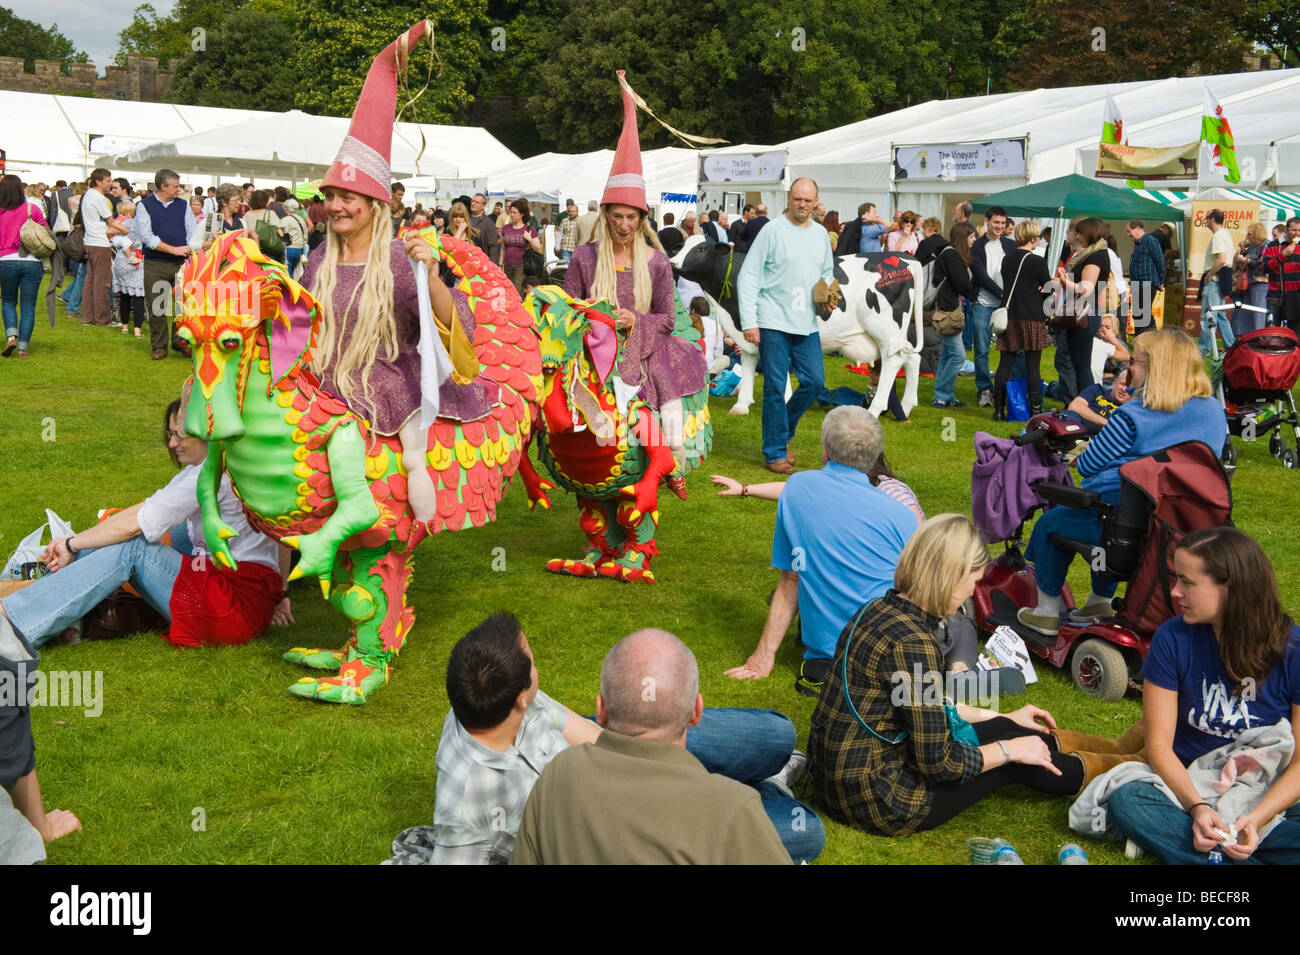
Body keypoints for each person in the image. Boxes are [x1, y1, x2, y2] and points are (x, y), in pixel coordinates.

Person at [388, 613, 821, 864]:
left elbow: (594, 736)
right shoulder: (465, 800)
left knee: (776, 734)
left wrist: (655, 771)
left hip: (621, 750)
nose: (536, 661)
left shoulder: (493, 692)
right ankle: (770, 786)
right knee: (806, 832)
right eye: (532, 658)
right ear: (521, 695)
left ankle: (754, 777)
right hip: (606, 810)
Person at [807, 514, 1132, 836]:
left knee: (1008, 727)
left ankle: (1119, 753)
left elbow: (916, 702)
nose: (972, 592)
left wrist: (1002, 717)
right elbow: (938, 762)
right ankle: (1127, 777)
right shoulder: (914, 643)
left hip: (833, 778)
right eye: (973, 581)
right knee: (1016, 752)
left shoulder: (877, 609)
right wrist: (1011, 751)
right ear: (951, 576)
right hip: (879, 799)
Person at [304, 20, 487, 529]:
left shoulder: (399, 260)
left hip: (387, 383)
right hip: (320, 384)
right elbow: (296, 327)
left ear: (374, 205)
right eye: (331, 197)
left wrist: (430, 277)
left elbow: (457, 334)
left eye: (347, 198)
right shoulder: (318, 259)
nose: (335, 207)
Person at [0, 392, 289, 653]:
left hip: (229, 608)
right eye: (169, 434)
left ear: (205, 432)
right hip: (240, 598)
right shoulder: (225, 466)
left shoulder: (208, 477)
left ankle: (16, 619)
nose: (172, 443)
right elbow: (282, 533)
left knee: (134, 546)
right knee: (138, 537)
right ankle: (32, 595)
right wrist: (279, 593)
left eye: (179, 434)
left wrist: (71, 543)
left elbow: (133, 526)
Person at [511, 628, 796, 865]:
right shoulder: (734, 810)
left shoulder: (557, 773)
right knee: (807, 828)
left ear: (601, 710)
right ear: (697, 711)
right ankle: (774, 785)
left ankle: (773, 785)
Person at [1101, 527, 1300, 864]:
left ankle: (1203, 847)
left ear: (1232, 588)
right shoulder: (1172, 638)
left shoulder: (1292, 649)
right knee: (1127, 798)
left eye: (1188, 583)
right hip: (1190, 785)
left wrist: (1256, 818)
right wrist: (1198, 808)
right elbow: (1159, 747)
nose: (1175, 592)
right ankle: (1231, 850)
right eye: (1176, 579)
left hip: (1267, 790)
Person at [1018, 327, 1227, 635]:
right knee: (1116, 516)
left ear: (1157, 368)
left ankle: (1047, 612)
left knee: (1053, 523)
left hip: (1128, 525)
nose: (1126, 369)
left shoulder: (1134, 415)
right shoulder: (1213, 411)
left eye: (1134, 362)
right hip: (1186, 525)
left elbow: (1088, 466)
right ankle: (1098, 601)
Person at [563, 92, 706, 490]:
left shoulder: (656, 262)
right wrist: (592, 321)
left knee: (666, 394)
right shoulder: (585, 258)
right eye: (617, 217)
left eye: (631, 218)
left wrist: (634, 321)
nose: (623, 224)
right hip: (594, 349)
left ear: (643, 219)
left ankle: (671, 461)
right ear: (606, 216)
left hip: (647, 346)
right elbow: (569, 305)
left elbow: (668, 318)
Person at [726, 406, 918, 696]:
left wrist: (762, 658)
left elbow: (791, 578)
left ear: (826, 449)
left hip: (826, 662)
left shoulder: (798, 488)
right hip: (890, 653)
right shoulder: (902, 515)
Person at [735, 178, 833, 474]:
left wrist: (827, 293)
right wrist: (750, 322)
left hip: (806, 322)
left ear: (817, 201)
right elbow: (749, 275)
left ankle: (784, 432)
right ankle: (775, 452)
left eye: (808, 200)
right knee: (776, 388)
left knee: (815, 382)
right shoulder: (772, 230)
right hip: (772, 319)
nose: (802, 204)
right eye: (797, 199)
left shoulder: (820, 235)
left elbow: (826, 270)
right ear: (789, 198)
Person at [991, 221, 1053, 421]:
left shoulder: (1007, 259)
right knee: (1032, 365)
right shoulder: (1037, 261)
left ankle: (999, 410)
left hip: (1010, 316)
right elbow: (1050, 287)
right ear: (1033, 239)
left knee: (1005, 364)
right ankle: (1035, 411)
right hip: (1032, 316)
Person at [135, 168, 197, 360]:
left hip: (181, 264)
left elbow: (191, 232)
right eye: (176, 186)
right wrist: (174, 249)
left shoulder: (183, 205)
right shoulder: (145, 206)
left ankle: (179, 342)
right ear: (163, 186)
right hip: (157, 262)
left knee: (181, 307)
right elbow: (147, 237)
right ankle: (159, 346)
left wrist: (191, 251)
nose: (179, 190)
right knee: (157, 306)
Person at [1054, 216, 1113, 393]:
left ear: (1083, 234)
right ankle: (1081, 403)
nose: (1072, 234)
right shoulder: (1090, 253)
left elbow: (1086, 288)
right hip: (1083, 313)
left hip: (1086, 314)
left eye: (1076, 231)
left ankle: (1086, 403)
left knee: (1081, 365)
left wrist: (1065, 280)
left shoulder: (1095, 256)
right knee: (1078, 363)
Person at [969, 205, 1016, 407]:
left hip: (1007, 305)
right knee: (981, 349)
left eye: (1003, 223)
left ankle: (1006, 387)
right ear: (987, 221)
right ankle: (984, 389)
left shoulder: (1012, 246)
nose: (999, 226)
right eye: (996, 222)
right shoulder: (977, 247)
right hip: (983, 302)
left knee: (1012, 348)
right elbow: (980, 275)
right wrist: (1001, 294)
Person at [0, 175, 51, 358]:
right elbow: (46, 232)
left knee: (8, 301)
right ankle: (23, 348)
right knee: (28, 305)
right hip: (31, 261)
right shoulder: (33, 209)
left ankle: (11, 336)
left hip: (5, 260)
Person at [930, 222, 977, 408]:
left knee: (947, 355)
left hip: (947, 306)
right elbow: (963, 283)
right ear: (963, 237)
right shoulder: (951, 255)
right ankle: (942, 394)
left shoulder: (951, 254)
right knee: (957, 356)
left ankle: (944, 396)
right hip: (946, 308)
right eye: (972, 236)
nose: (974, 239)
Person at [79, 168, 123, 329]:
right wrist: (127, 229)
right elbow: (111, 222)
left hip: (90, 241)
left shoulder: (88, 195)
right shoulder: (99, 198)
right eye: (108, 180)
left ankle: (88, 316)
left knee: (90, 281)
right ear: (99, 181)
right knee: (102, 282)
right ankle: (102, 318)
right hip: (100, 242)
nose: (110, 184)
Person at [1198, 209, 1236, 356]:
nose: (1206, 221)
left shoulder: (1218, 236)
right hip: (1221, 279)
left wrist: (1209, 274)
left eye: (1207, 218)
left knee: (1208, 316)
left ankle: (1204, 350)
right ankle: (1231, 347)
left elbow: (1221, 259)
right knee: (1220, 315)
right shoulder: (1225, 234)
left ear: (1212, 219)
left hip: (1215, 280)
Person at [109, 199, 146, 340]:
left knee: (124, 293)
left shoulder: (126, 223)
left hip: (121, 260)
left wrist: (122, 231)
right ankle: (137, 329)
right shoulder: (145, 225)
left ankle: (125, 326)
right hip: (138, 258)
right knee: (138, 296)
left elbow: (109, 231)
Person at [1126, 219, 1165, 330]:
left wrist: (1161, 281)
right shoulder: (1138, 243)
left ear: (1137, 228)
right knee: (1139, 314)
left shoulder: (1150, 240)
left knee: (1143, 314)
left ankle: (1147, 339)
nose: (1128, 235)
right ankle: (1147, 338)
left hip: (1147, 283)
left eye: (1129, 231)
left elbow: (1160, 261)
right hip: (1137, 284)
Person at [1263, 216, 1300, 333]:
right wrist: (1282, 255)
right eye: (1294, 230)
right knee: (1272, 332)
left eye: (1299, 231)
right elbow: (1264, 268)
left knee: (1295, 334)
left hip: (1296, 296)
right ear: (1287, 230)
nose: (1297, 233)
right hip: (1276, 295)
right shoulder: (1274, 245)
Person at [498, 199, 542, 295]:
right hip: (507, 266)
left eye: (514, 212)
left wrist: (529, 239)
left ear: (522, 214)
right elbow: (503, 248)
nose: (512, 215)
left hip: (521, 266)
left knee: (516, 293)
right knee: (505, 292)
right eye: (511, 212)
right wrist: (500, 265)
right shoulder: (506, 228)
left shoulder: (529, 229)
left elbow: (539, 249)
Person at [243, 189, 287, 264]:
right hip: (268, 250)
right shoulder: (270, 213)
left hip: (252, 250)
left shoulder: (247, 215)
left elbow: (243, 230)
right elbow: (280, 232)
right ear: (266, 201)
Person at [467, 192, 501, 264]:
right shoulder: (465, 218)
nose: (473, 204)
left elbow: (493, 246)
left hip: (481, 262)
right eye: (472, 201)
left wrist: (492, 265)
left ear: (483, 206)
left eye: (477, 202)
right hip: (465, 261)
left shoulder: (488, 223)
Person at [557, 198, 580, 262]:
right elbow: (560, 234)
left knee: (575, 268)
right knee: (566, 268)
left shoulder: (581, 221)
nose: (571, 213)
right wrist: (557, 246)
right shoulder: (564, 221)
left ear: (577, 211)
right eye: (570, 211)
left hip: (576, 249)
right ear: (567, 212)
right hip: (565, 248)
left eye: (573, 211)